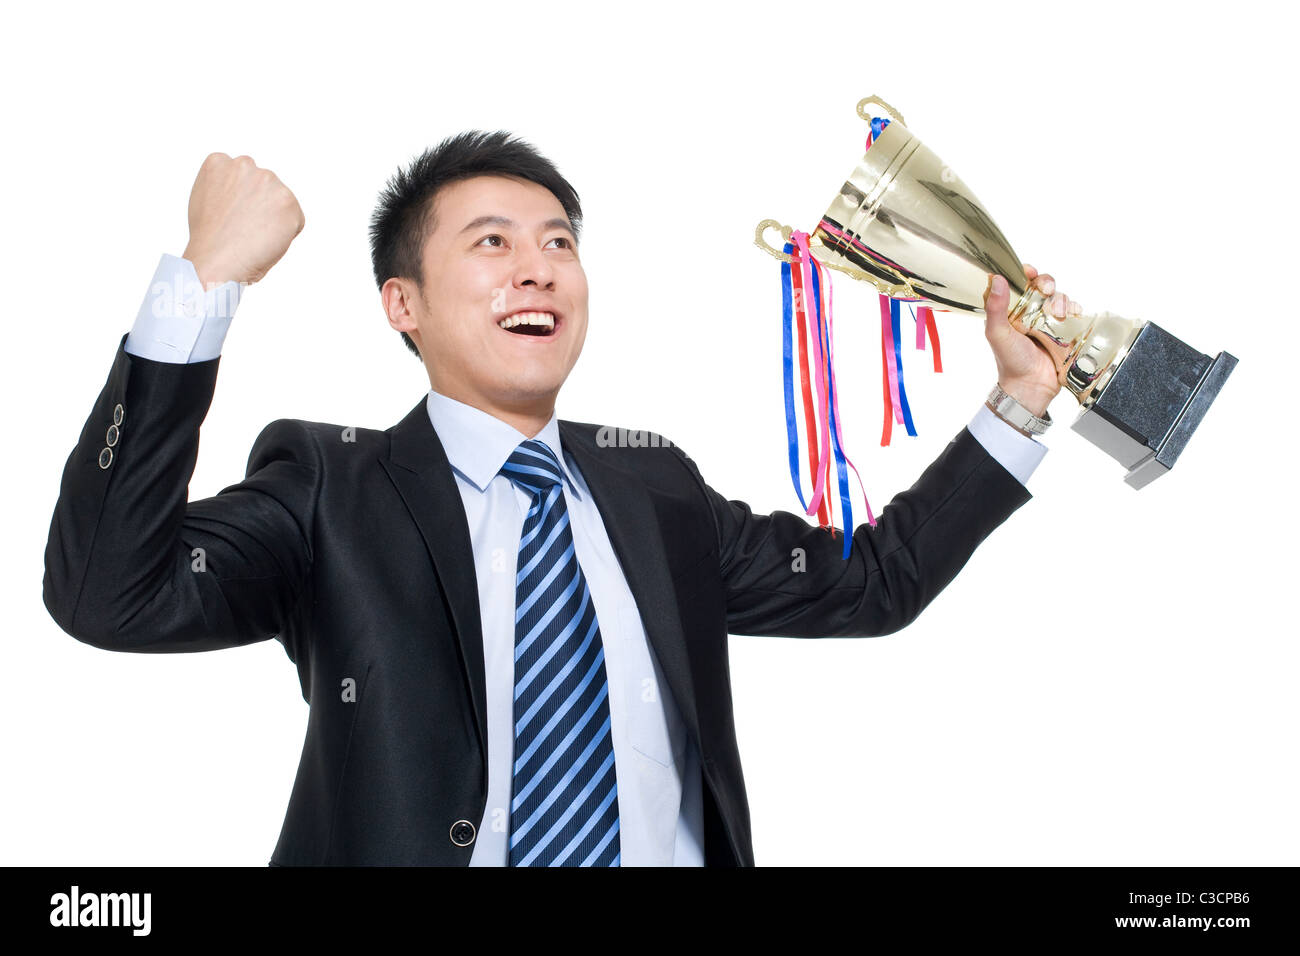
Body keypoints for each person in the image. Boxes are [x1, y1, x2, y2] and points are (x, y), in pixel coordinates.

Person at [42, 130, 1078, 866]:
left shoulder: (652, 483)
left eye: (559, 242)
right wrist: (206, 275)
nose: (537, 270)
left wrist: (1021, 398)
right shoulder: (331, 488)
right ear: (402, 304)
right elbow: (109, 594)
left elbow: (872, 584)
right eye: (490, 243)